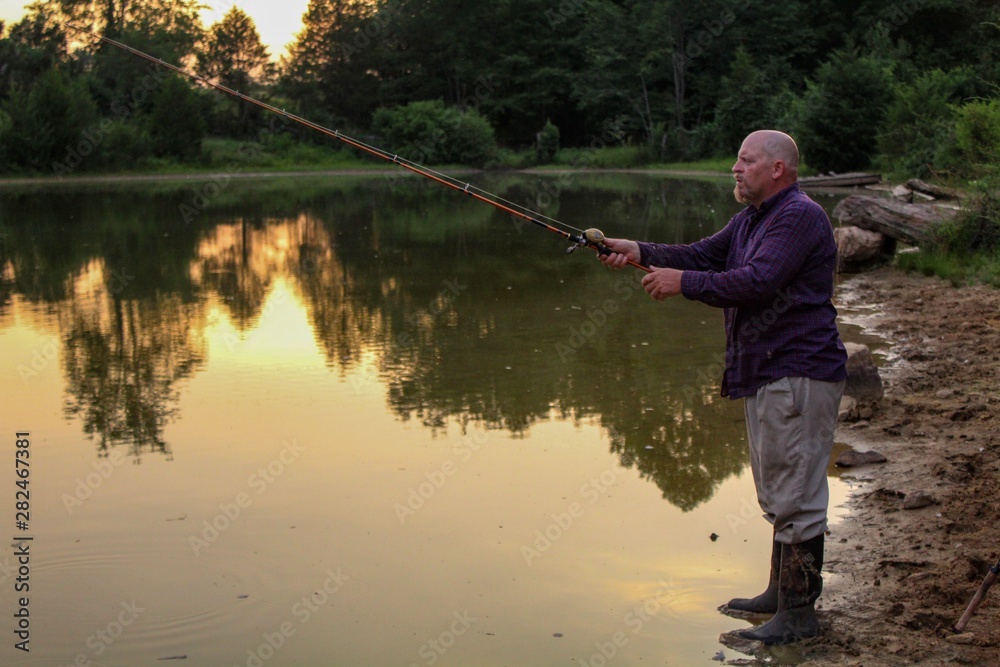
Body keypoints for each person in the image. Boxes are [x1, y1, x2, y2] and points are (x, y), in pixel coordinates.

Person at [598, 130, 847, 645]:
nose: (735, 168)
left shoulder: (799, 215)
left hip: (798, 372)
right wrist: (638, 249)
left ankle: (800, 616)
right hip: (768, 372)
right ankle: (780, 594)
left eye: (745, 160)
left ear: (777, 168)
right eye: (737, 159)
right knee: (778, 489)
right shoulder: (753, 218)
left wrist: (680, 284)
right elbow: (702, 255)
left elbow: (757, 280)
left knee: (797, 494)